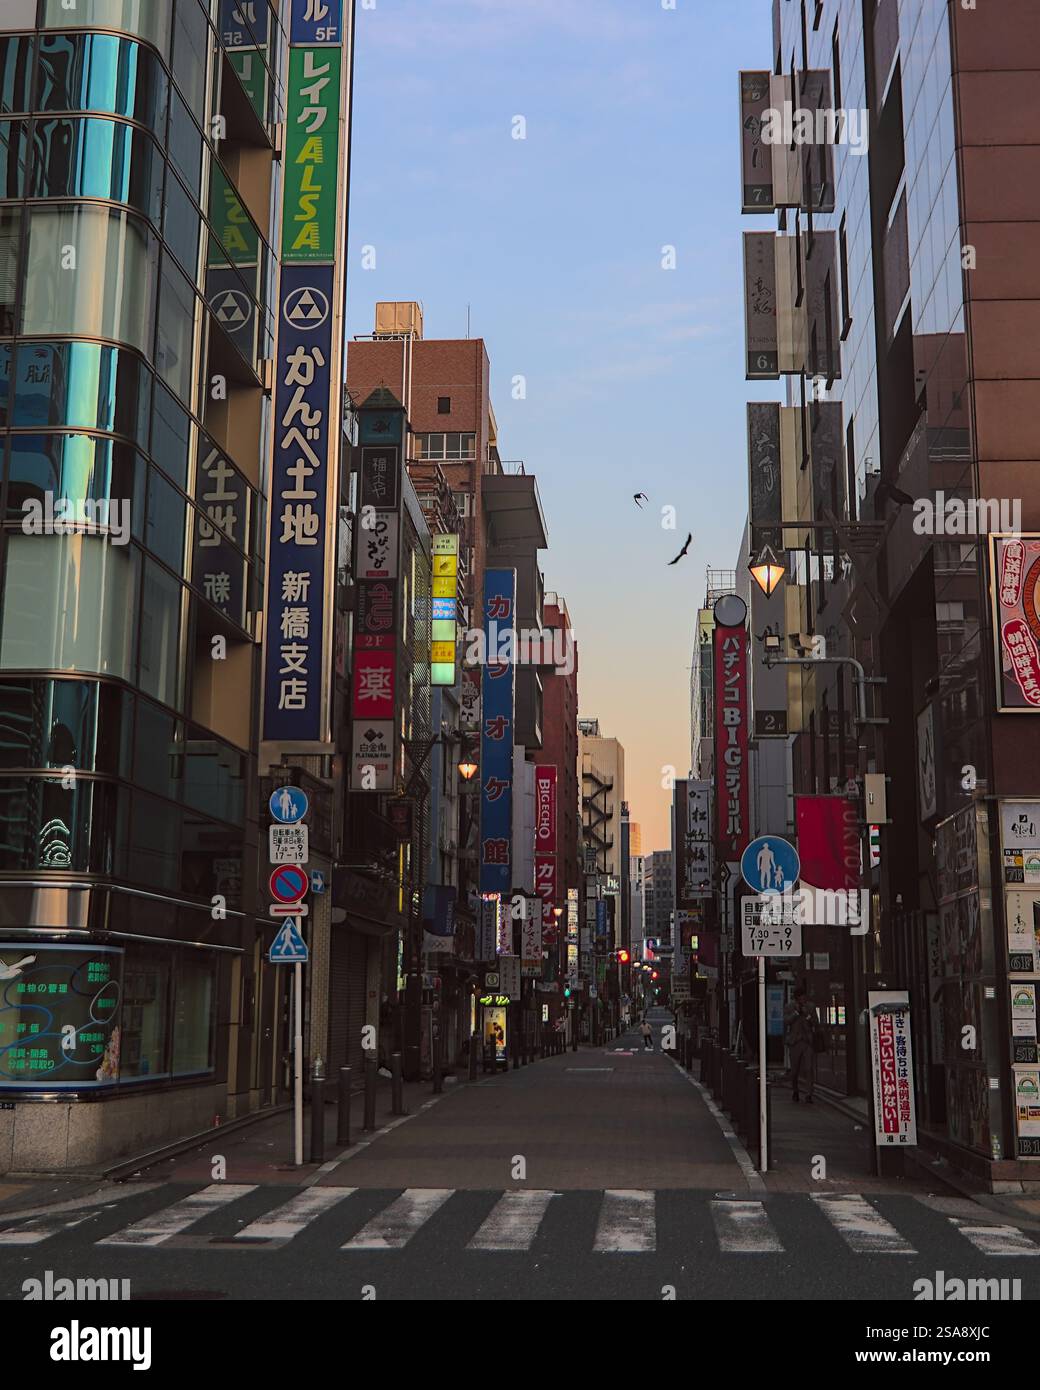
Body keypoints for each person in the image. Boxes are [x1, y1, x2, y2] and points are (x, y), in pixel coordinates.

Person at [784, 987, 816, 1102]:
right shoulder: (789, 1006)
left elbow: (815, 1022)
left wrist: (807, 1015)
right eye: (801, 998)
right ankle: (795, 1090)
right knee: (794, 1070)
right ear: (797, 998)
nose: (803, 1000)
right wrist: (796, 1013)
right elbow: (786, 1021)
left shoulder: (810, 1007)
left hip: (807, 1041)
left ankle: (809, 1094)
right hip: (794, 1041)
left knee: (809, 1068)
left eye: (804, 998)